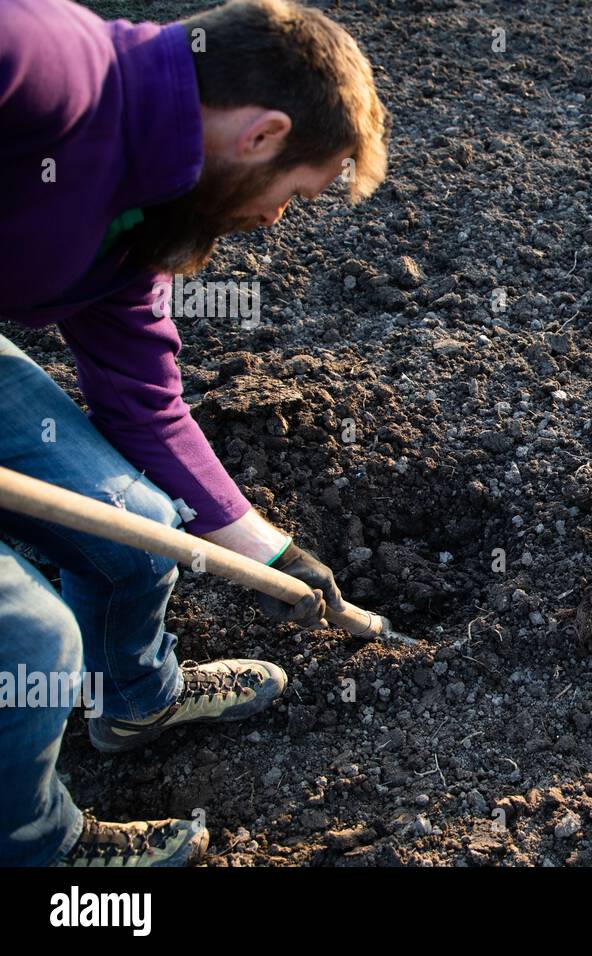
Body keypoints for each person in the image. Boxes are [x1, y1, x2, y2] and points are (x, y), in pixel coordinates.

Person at [0, 0, 388, 866]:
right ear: (262, 134)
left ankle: (136, 701)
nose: (277, 220)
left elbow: (145, 403)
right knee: (27, 640)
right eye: (296, 193)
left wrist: (274, 554)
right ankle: (35, 850)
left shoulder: (142, 229)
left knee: (143, 538)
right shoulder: (53, 65)